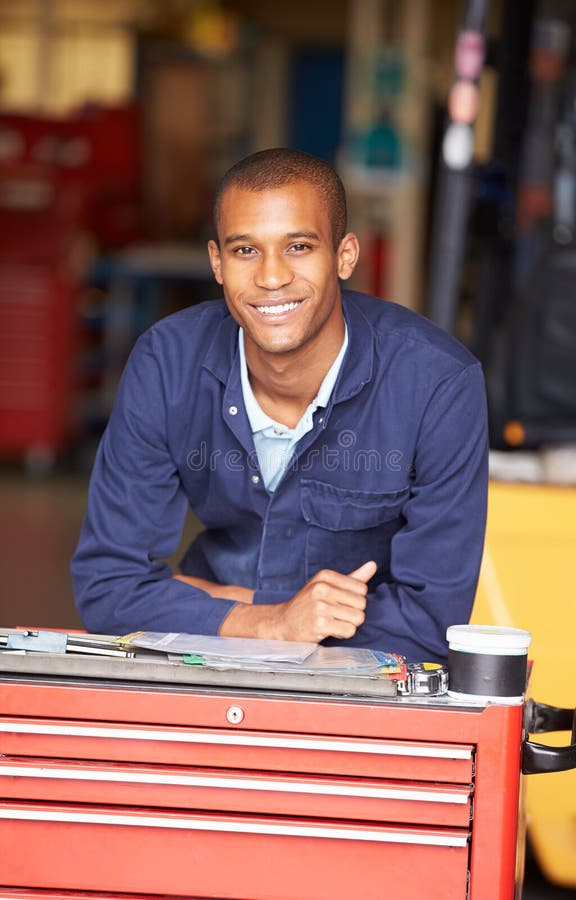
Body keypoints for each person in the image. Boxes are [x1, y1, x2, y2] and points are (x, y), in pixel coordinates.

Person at [71, 148, 488, 663]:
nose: (271, 277)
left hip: (362, 691)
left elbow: (430, 622)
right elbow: (108, 586)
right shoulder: (168, 363)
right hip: (209, 664)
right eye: (246, 251)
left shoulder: (436, 384)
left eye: (298, 247)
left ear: (345, 255)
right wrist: (272, 620)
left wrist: (216, 604)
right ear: (217, 263)